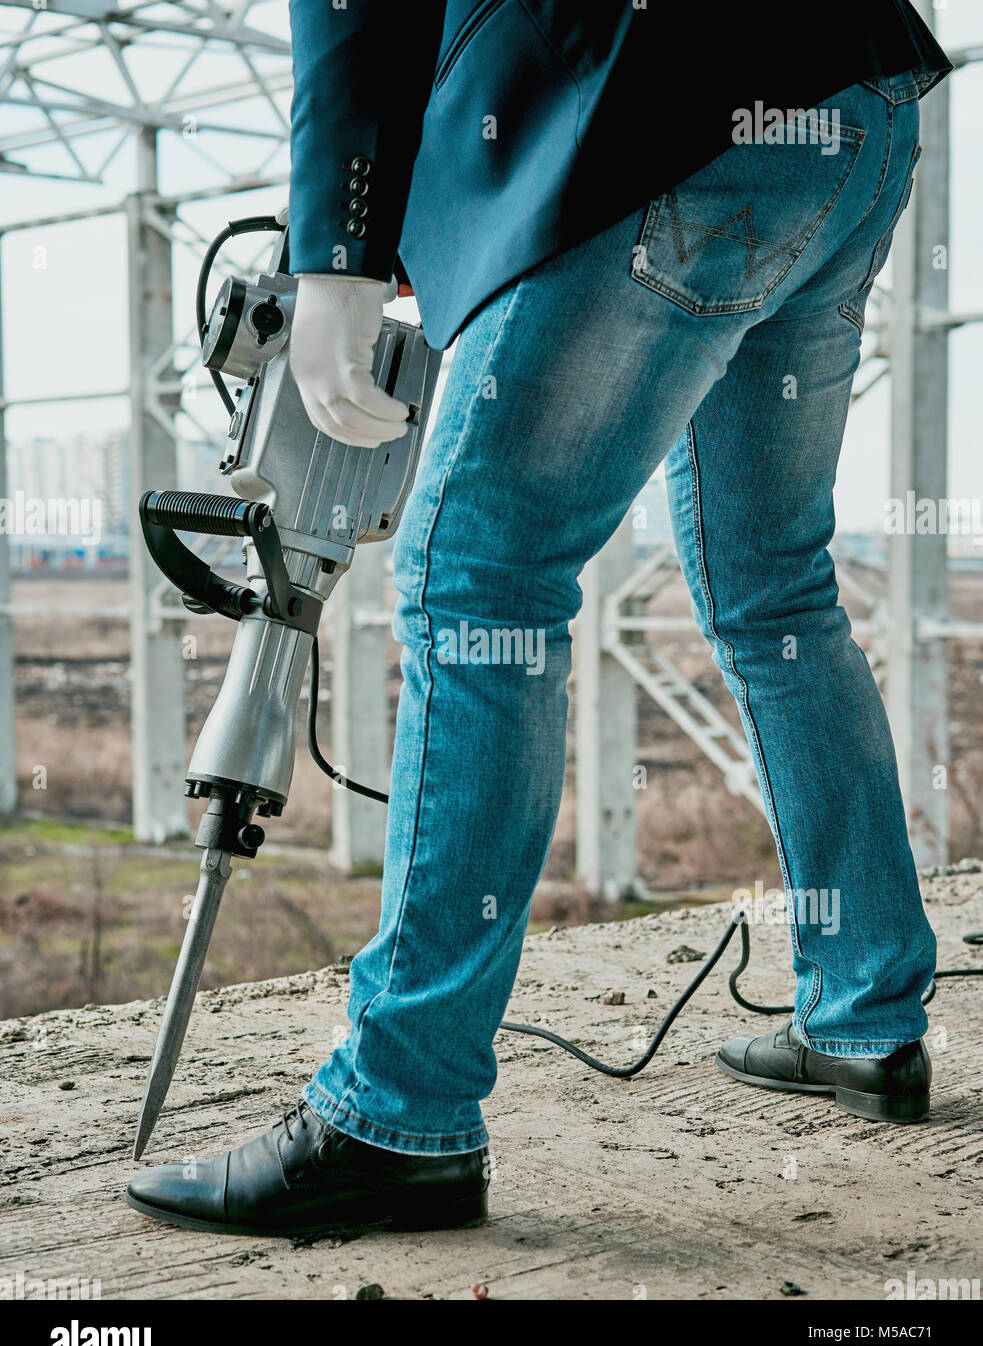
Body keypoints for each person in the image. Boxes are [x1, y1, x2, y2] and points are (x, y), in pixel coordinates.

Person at [124, 2, 952, 1238]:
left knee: (478, 578)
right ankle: (866, 1015)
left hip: (660, 103)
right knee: (775, 583)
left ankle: (397, 1112)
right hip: (850, 102)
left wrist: (337, 247)